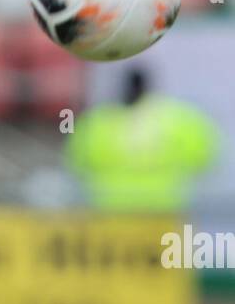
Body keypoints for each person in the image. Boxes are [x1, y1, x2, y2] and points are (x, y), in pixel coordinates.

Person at [66, 69, 222, 213]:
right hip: (165, 209)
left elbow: (76, 163)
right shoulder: (179, 118)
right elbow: (207, 156)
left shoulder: (97, 122)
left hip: (112, 212)